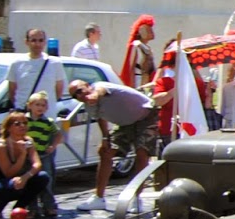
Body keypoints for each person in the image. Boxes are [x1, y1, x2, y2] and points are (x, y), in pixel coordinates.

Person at [67, 78, 167, 211]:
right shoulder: (89, 106)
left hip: (146, 117)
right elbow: (100, 118)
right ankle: (98, 198)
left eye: (80, 91)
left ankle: (137, 199)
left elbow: (100, 92)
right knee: (105, 152)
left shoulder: (100, 86)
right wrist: (105, 137)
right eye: (75, 96)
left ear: (87, 85)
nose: (80, 96)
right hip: (124, 124)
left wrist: (94, 96)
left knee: (142, 153)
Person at [0, 113, 51, 219]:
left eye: (25, 123)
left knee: (43, 177)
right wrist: (22, 155)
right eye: (17, 124)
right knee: (11, 185)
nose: (22, 126)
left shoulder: (28, 141)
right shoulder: (1, 146)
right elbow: (8, 173)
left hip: (19, 178)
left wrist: (25, 177)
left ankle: (19, 209)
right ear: (9, 128)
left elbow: (37, 164)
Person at [23, 92, 61, 216]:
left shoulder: (48, 122)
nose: (40, 108)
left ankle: (48, 205)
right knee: (31, 181)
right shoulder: (24, 120)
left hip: (44, 155)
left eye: (43, 105)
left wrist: (53, 146)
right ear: (29, 106)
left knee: (47, 180)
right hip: (28, 156)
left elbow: (58, 134)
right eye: (37, 105)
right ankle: (32, 207)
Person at [7, 27, 65, 107]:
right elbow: (12, 91)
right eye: (33, 40)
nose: (37, 44)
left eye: (41, 40)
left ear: (45, 42)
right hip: (23, 114)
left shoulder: (55, 63)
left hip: (47, 115)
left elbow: (59, 90)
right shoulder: (17, 63)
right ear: (26, 42)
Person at [119, 14, 157, 90]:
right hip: (138, 82)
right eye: (148, 29)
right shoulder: (136, 46)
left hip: (147, 84)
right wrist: (132, 88)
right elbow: (131, 69)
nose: (151, 32)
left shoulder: (148, 49)